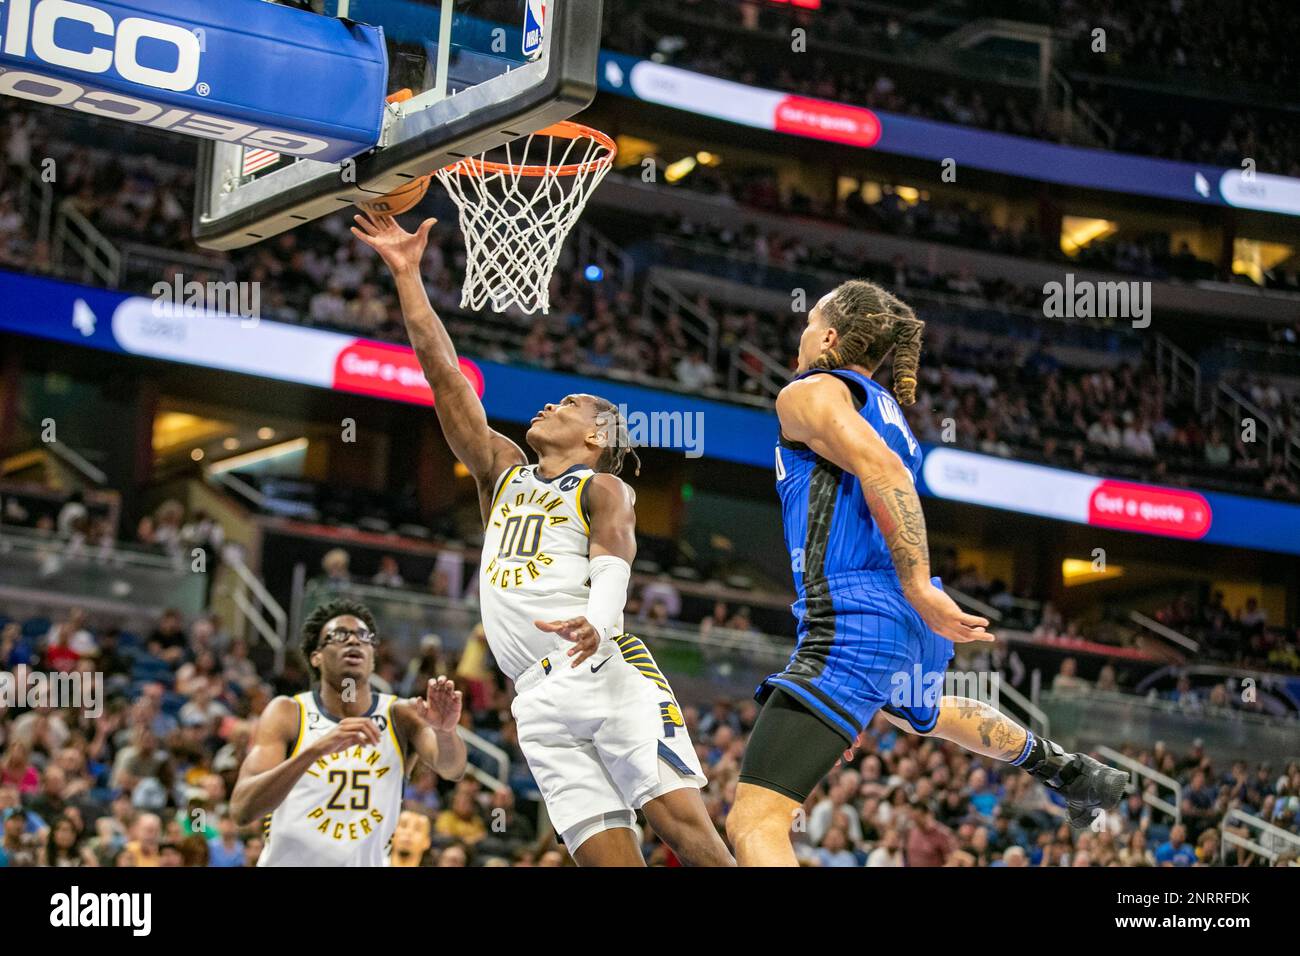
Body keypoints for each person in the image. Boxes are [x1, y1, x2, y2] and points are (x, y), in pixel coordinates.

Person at [352, 212, 732, 867]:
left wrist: (599, 626)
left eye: (570, 404)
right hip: (533, 695)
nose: (551, 405)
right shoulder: (501, 472)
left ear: (596, 439)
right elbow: (446, 377)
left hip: (602, 668)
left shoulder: (601, 490)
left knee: (683, 828)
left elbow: (616, 559)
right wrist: (408, 276)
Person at [726, 281, 1127, 866]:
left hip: (858, 610)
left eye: (809, 324)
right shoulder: (887, 410)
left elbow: (883, 472)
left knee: (754, 821)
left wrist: (917, 582)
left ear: (831, 337)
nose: (802, 336)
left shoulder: (808, 392)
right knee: (925, 711)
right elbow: (892, 474)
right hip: (903, 625)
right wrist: (918, 594)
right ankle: (1067, 769)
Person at [230, 599, 467, 866]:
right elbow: (242, 809)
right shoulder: (288, 713)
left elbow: (452, 769)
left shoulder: (401, 715)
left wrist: (446, 733)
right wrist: (315, 750)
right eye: (340, 635)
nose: (354, 641)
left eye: (364, 637)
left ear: (373, 657)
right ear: (316, 656)